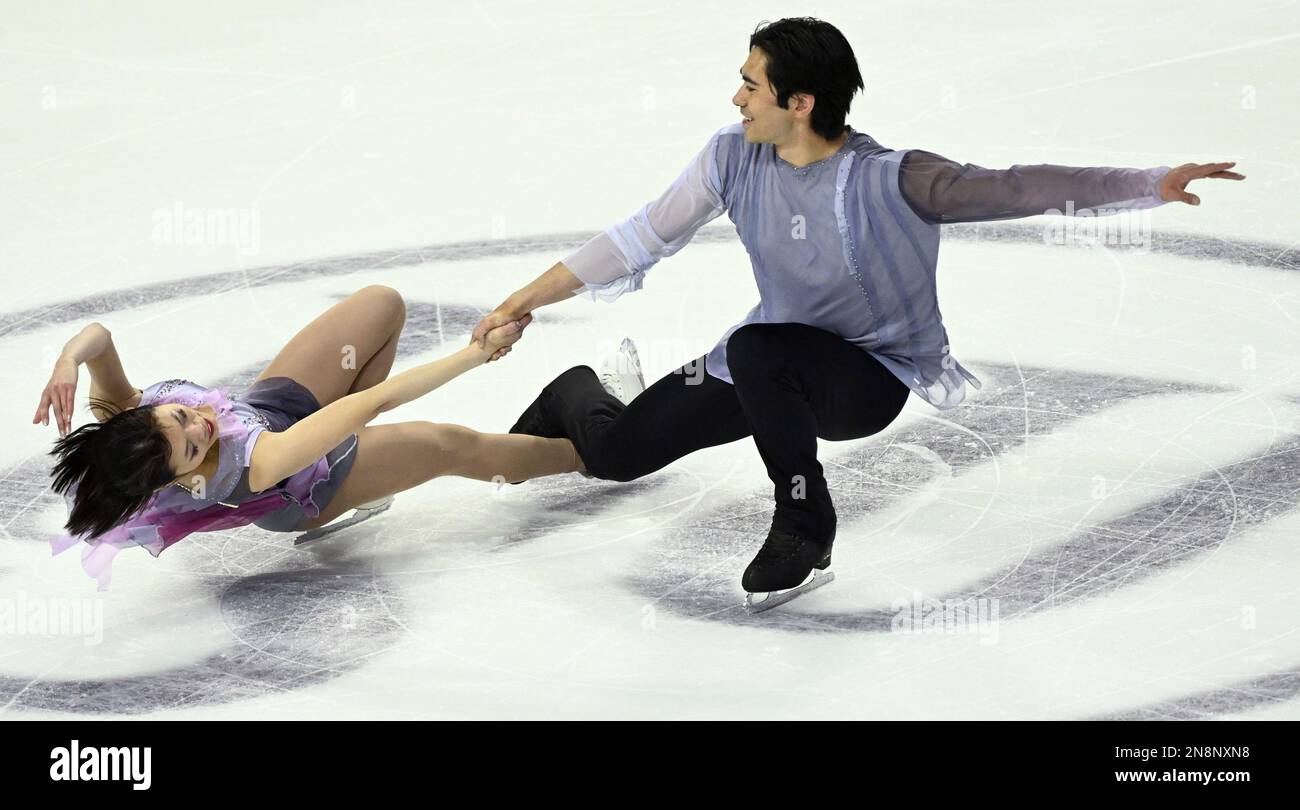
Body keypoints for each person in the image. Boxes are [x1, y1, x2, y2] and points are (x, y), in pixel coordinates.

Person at [469, 17, 1246, 605]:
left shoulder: (895, 180)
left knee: (764, 348)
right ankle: (580, 390)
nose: (736, 97)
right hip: (764, 365)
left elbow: (1021, 186)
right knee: (615, 457)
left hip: (865, 381)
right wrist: (520, 301)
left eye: (751, 84)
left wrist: (1151, 181)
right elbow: (641, 236)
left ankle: (805, 524)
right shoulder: (731, 156)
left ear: (799, 102)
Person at [36, 285, 582, 589]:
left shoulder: (127, 414)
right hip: (311, 482)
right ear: (183, 474)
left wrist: (67, 360)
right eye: (194, 448)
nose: (200, 425)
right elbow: (371, 400)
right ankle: (589, 449)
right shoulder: (257, 464)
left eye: (180, 416)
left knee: (382, 305)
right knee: (451, 446)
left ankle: (367, 457)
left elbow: (98, 338)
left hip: (276, 405)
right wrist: (474, 356)